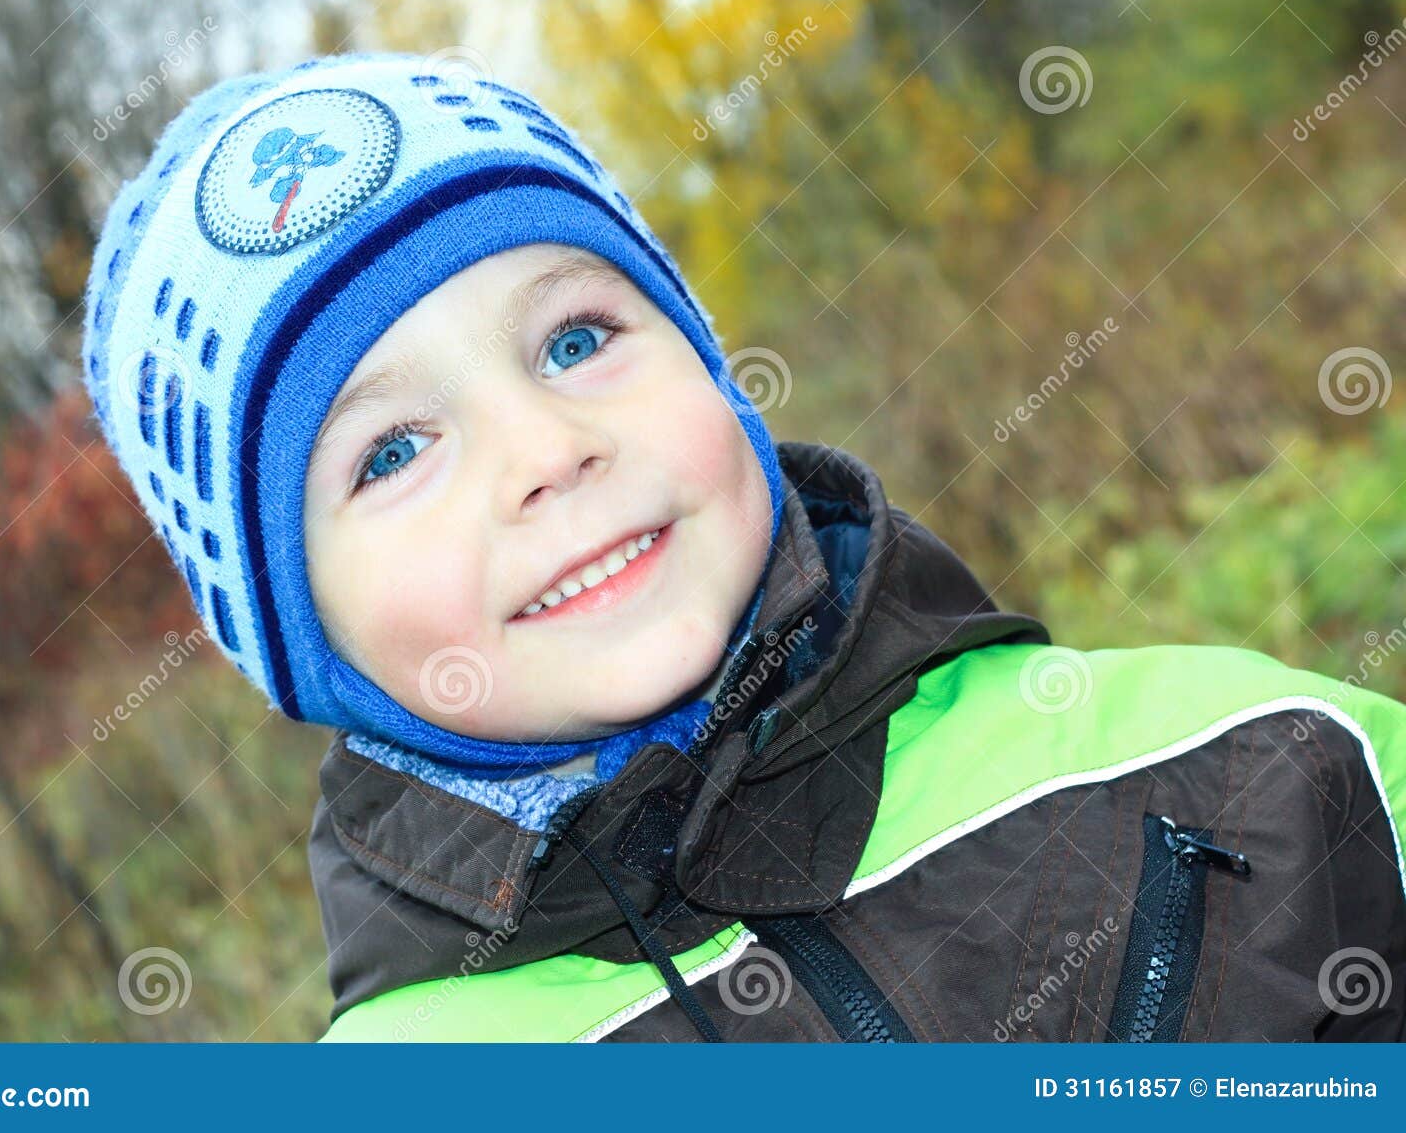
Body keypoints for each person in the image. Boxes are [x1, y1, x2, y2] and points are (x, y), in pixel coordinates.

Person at [81, 52, 1406, 1042]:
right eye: (391, 451)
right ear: (295, 637)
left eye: (576, 340)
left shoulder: (1250, 763)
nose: (546, 449)